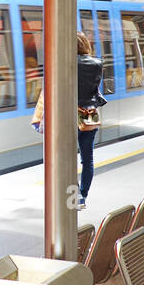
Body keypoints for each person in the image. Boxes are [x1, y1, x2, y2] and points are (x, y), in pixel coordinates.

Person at [32, 31, 106, 205]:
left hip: (68, 116)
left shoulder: (63, 65)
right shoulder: (97, 63)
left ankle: (69, 198)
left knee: (67, 159)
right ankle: (82, 196)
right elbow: (93, 90)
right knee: (87, 159)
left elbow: (53, 93)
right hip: (89, 115)